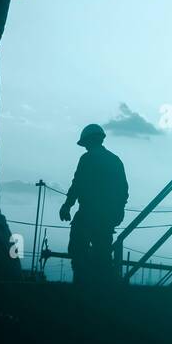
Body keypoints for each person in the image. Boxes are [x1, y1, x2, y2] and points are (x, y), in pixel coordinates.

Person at [60, 123, 128, 291]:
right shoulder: (115, 160)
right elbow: (123, 190)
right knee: (103, 253)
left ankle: (82, 286)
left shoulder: (87, 159)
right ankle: (104, 289)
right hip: (107, 217)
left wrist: (67, 206)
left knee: (77, 249)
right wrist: (118, 211)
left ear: (89, 141)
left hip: (88, 213)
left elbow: (77, 185)